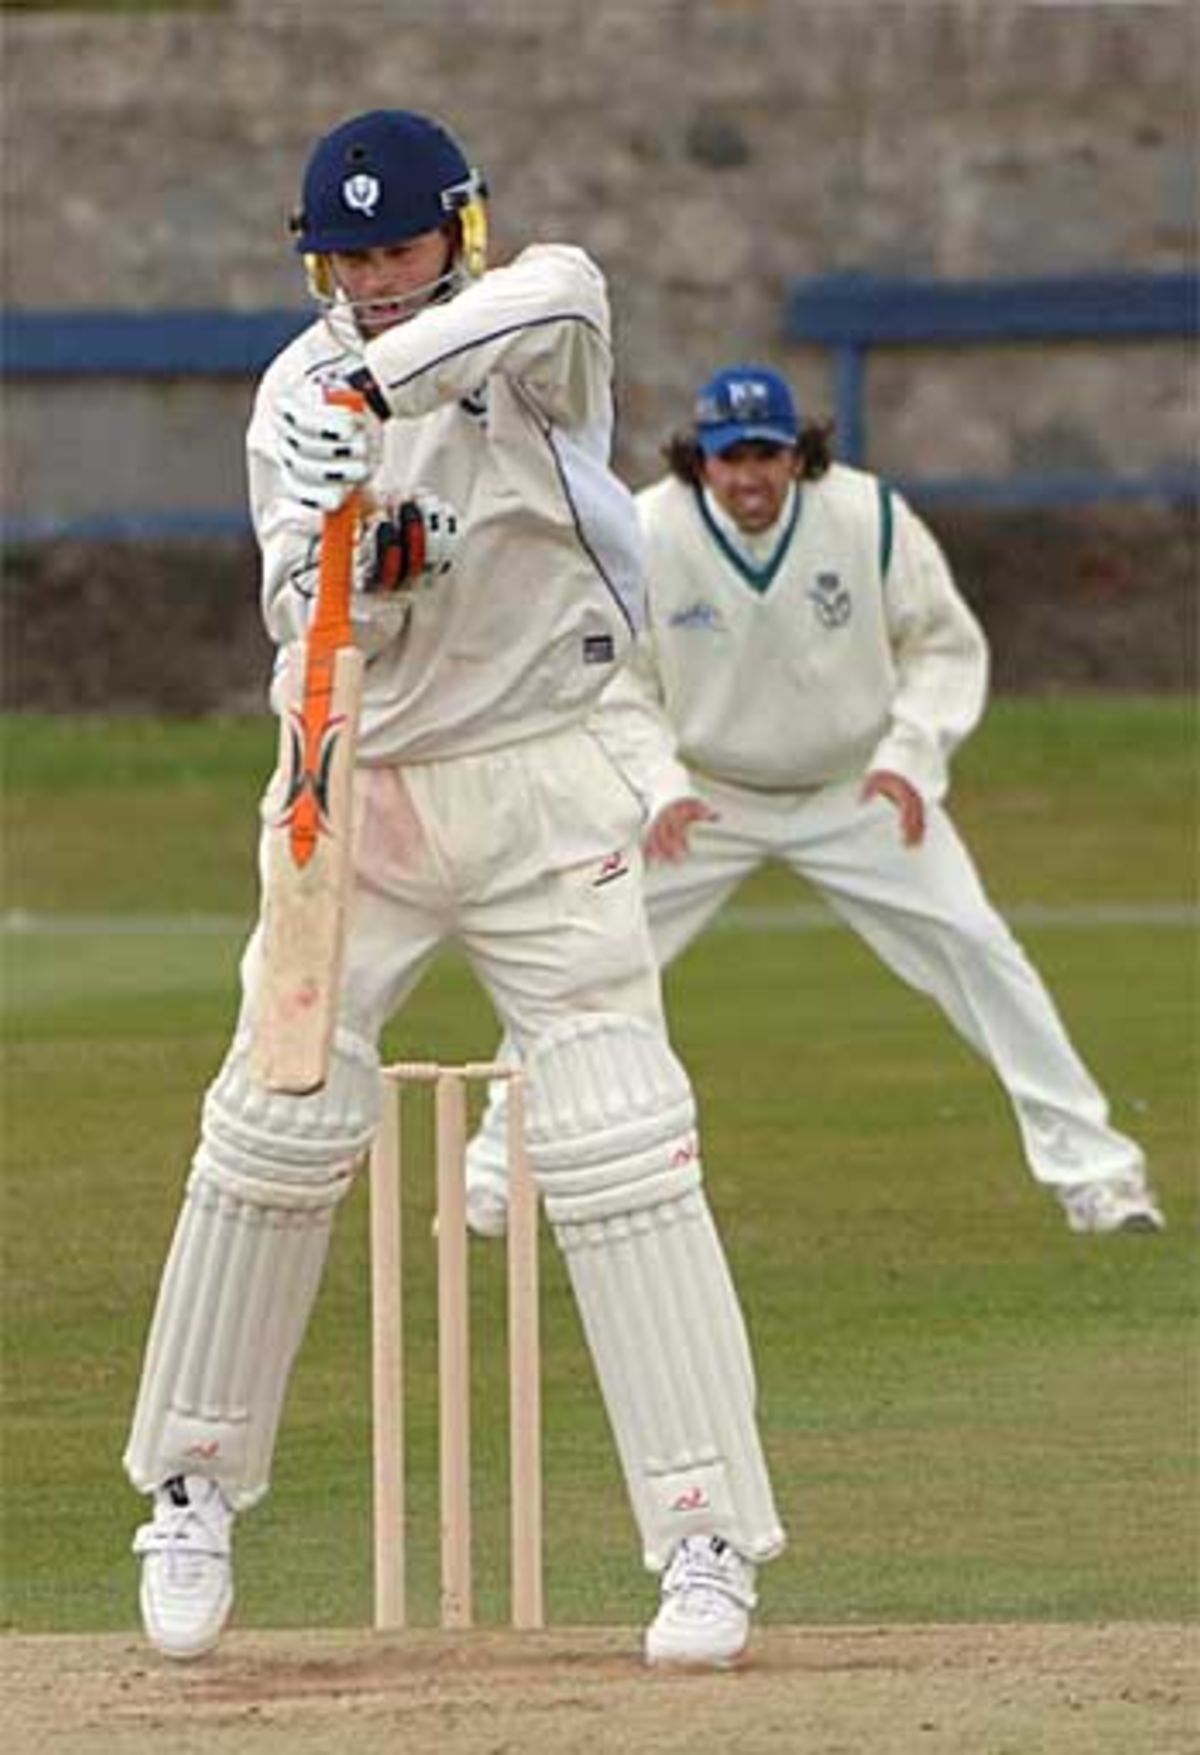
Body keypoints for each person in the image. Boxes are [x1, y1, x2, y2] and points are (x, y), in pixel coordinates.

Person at [124, 116, 784, 1670]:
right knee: (276, 1115)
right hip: (362, 785)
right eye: (347, 258)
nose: (372, 279)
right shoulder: (288, 397)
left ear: (458, 232)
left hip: (546, 779)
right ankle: (190, 1489)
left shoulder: (535, 333)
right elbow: (298, 610)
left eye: (400, 247)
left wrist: (380, 386)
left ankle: (705, 1532)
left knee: (618, 1128)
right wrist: (351, 545)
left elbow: (562, 287)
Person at [464, 364, 1164, 1240]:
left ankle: (1100, 1177)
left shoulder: (868, 518)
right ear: (701, 461)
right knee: (584, 960)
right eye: (731, 458)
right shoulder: (647, 530)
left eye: (767, 455)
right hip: (701, 799)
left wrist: (910, 756)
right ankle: (495, 1169)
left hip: (858, 788)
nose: (750, 477)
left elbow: (942, 647)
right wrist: (661, 786)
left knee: (979, 946)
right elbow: (617, 682)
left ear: (798, 456)